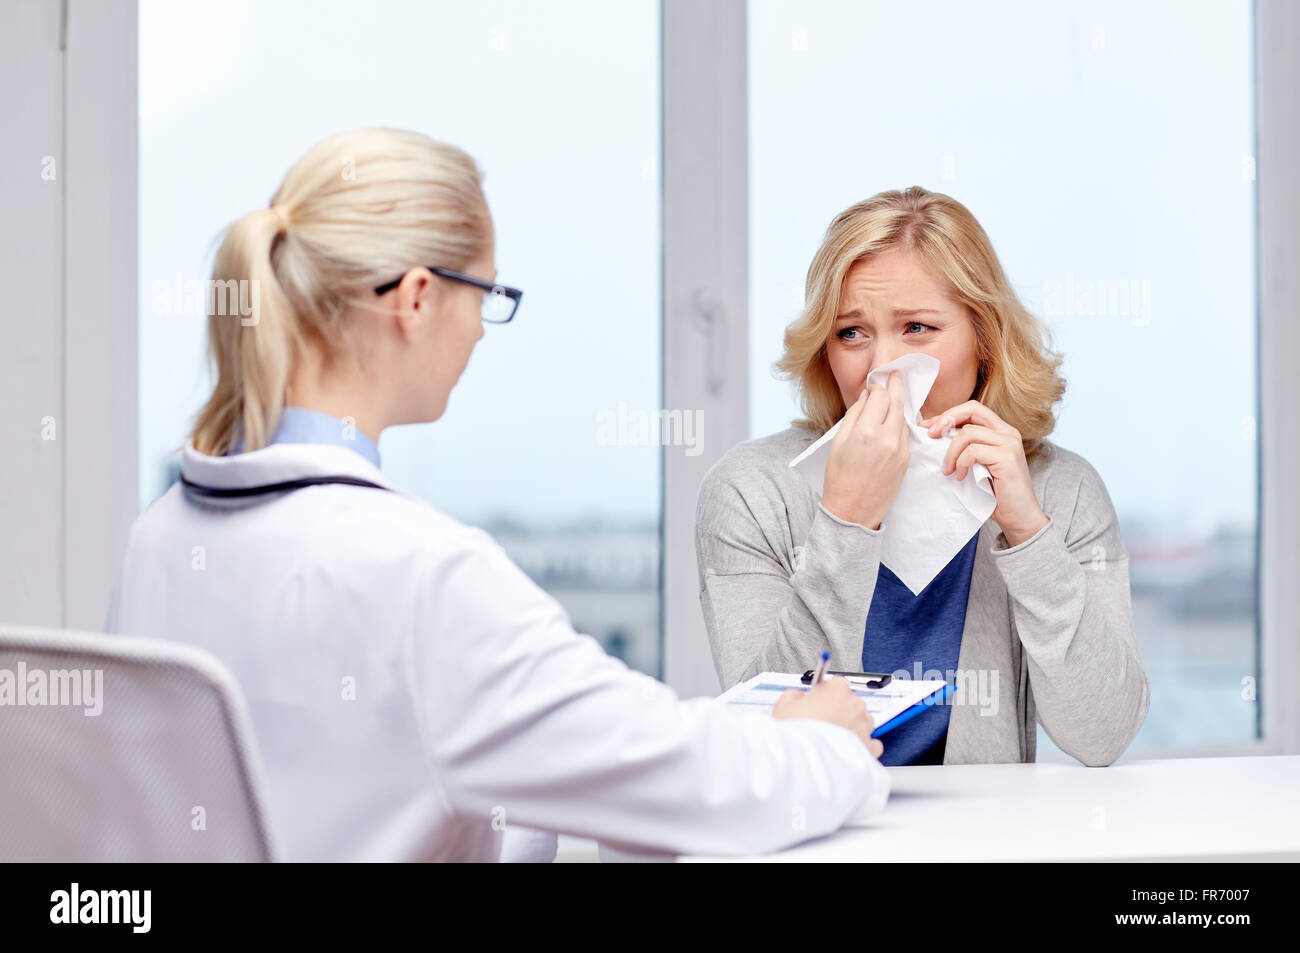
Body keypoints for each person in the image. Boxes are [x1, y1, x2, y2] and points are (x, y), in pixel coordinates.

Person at [105, 127, 890, 862]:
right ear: (415, 297)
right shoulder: (419, 573)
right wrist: (821, 743)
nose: (482, 328)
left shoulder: (163, 535)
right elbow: (703, 792)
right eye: (484, 293)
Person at [695, 187, 1150, 768]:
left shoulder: (1063, 489)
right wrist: (846, 519)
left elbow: (1102, 733)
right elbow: (766, 736)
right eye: (851, 333)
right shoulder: (752, 492)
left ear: (984, 341)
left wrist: (1029, 533)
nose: (882, 366)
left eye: (916, 328)